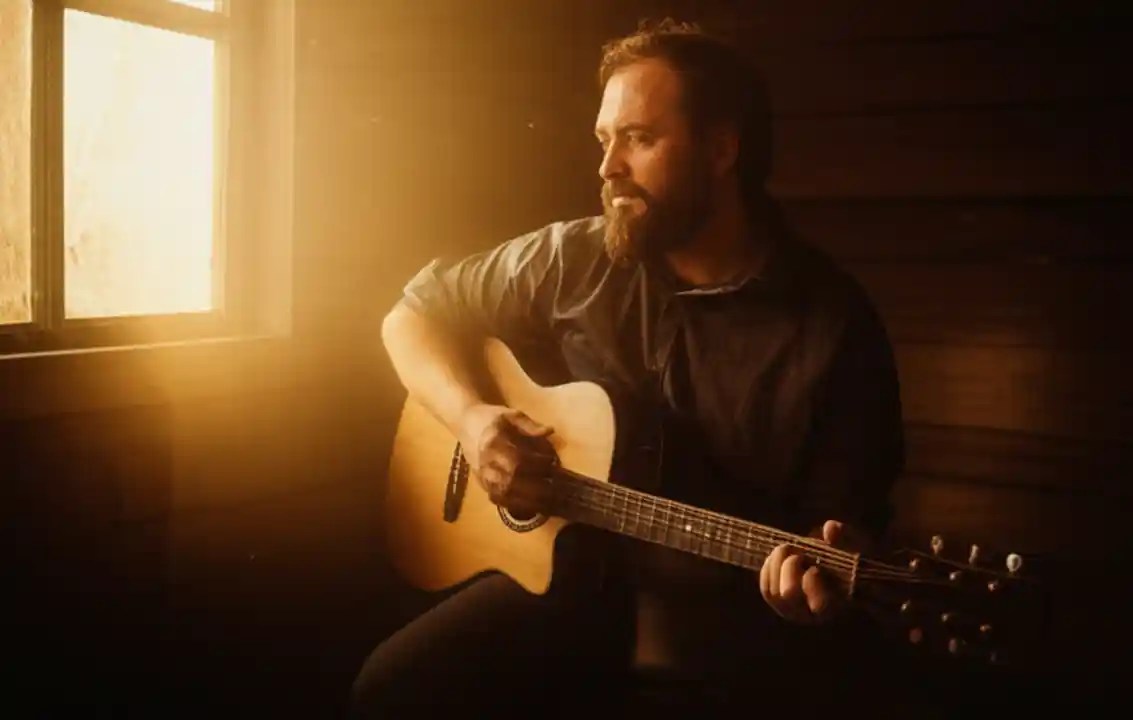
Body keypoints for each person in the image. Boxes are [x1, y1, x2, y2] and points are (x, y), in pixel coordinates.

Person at [351, 17, 908, 718]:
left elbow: (838, 533)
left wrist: (811, 587)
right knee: (387, 691)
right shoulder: (572, 257)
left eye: (639, 139)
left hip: (723, 621)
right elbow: (411, 315)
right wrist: (473, 419)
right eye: (604, 140)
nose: (608, 167)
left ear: (720, 149)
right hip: (566, 581)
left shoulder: (834, 329)